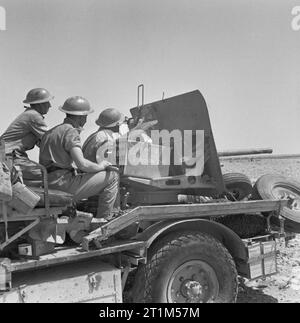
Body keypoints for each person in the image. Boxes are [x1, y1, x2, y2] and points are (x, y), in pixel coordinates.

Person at [39, 96, 119, 219]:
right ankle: (104, 220)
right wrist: (101, 166)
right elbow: (83, 164)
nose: (86, 120)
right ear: (82, 117)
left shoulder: (50, 132)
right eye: (86, 116)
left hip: (48, 183)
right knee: (112, 176)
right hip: (63, 184)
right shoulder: (71, 132)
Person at [0, 88, 53, 180]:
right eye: (47, 102)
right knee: (47, 175)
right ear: (40, 103)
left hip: (9, 157)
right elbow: (51, 140)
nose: (50, 105)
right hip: (9, 158)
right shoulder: (34, 116)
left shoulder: (30, 115)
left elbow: (43, 143)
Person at [82, 107, 157, 165]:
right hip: (95, 173)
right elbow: (113, 158)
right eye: (122, 123)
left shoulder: (97, 135)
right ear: (117, 125)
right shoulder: (106, 137)